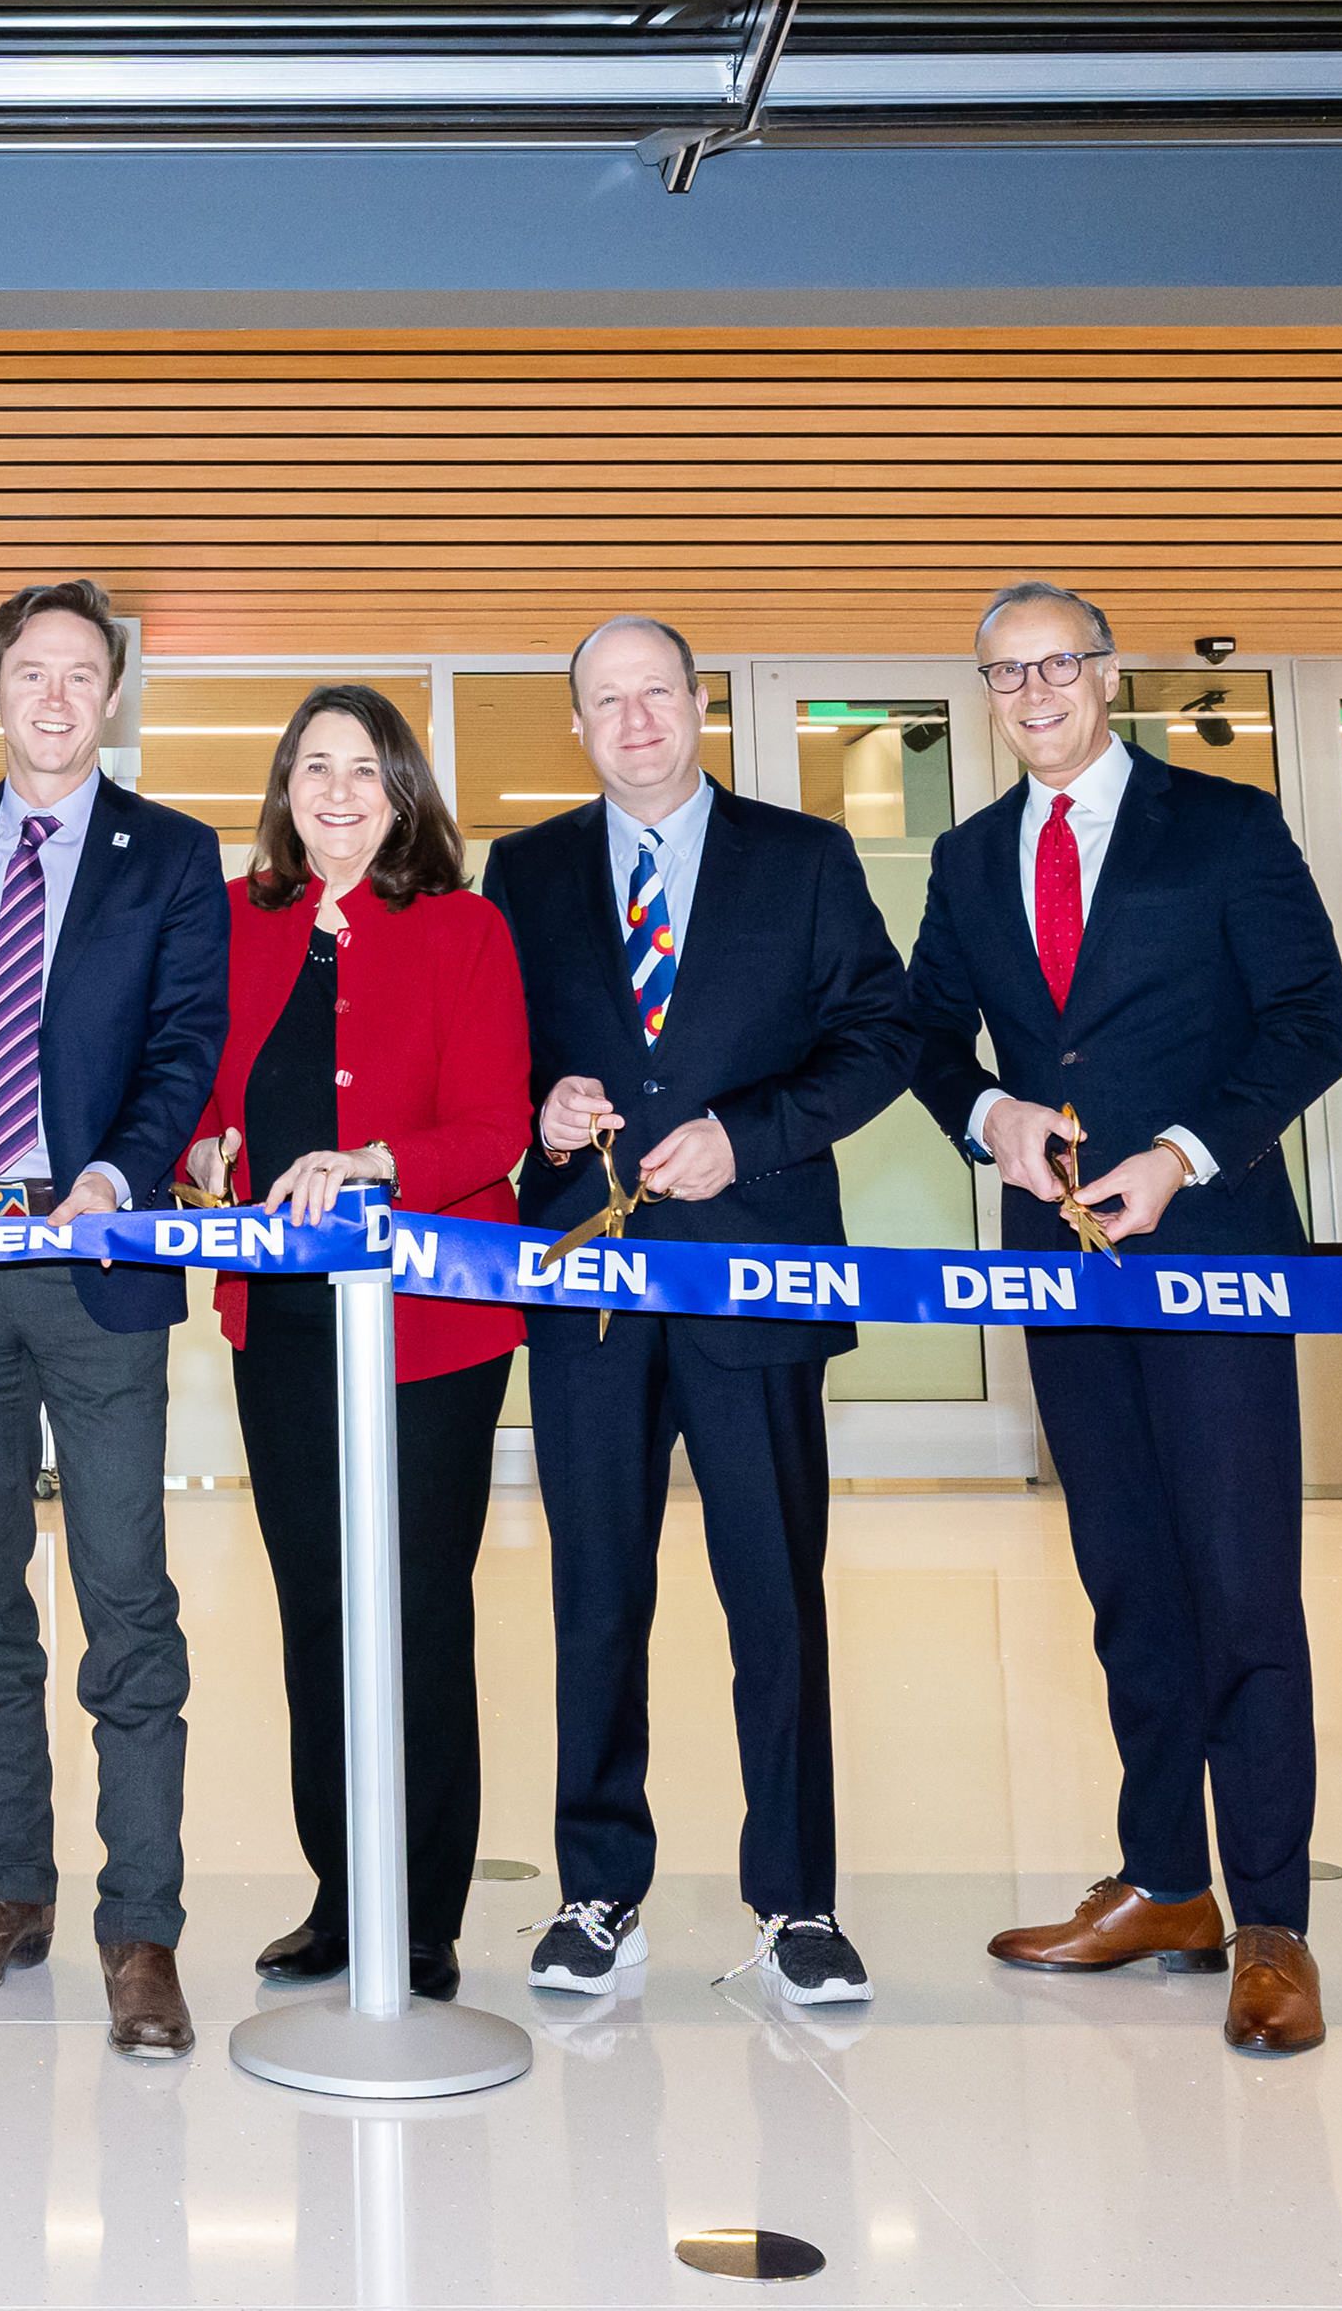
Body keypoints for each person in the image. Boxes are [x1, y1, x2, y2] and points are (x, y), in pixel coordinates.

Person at [906, 581, 1342, 2056]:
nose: (1034, 691)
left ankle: (1271, 1920)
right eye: (1005, 673)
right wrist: (990, 1115)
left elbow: (1313, 1023)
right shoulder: (970, 857)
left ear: (1107, 676)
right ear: (987, 695)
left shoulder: (1223, 826)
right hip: (1063, 1265)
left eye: (1059, 664)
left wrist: (1183, 1154)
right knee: (1127, 1585)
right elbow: (925, 1030)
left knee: (1242, 1586)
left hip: (1211, 1253)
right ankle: (1167, 1884)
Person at [480, 616, 913, 2010]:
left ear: (698, 704)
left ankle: (799, 1902)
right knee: (595, 1596)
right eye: (605, 700)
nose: (635, 720)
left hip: (755, 1274)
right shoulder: (525, 871)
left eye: (656, 692)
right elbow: (491, 1054)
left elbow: (883, 1034)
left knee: (774, 1598)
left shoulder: (804, 859)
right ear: (577, 726)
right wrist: (540, 1108)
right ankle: (597, 1893)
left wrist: (752, 1137)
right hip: (589, 1289)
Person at [0, 577, 229, 2060]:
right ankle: (8, 1889)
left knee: (127, 1600)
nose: (58, 695)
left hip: (99, 1265)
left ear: (113, 696)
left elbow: (186, 1041)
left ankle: (143, 1929)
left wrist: (113, 1176)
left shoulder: (174, 853)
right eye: (32, 670)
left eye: (83, 672)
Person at [179, 684, 527, 2003]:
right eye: (314, 768)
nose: (338, 792)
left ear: (404, 795)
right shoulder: (233, 921)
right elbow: (195, 1093)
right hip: (281, 1324)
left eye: (366, 770)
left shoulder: (464, 928)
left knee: (419, 1607)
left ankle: (424, 1911)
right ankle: (342, 1891)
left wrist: (377, 1160)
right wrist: (203, 1152)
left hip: (432, 1325)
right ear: (284, 789)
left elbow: (493, 1126)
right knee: (315, 1608)